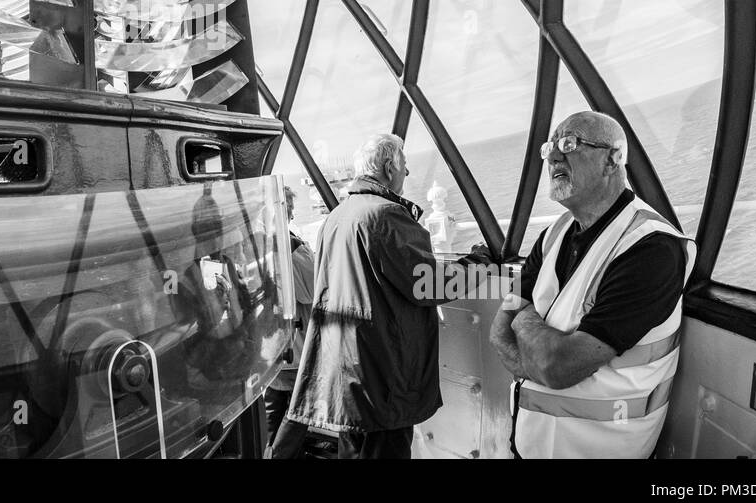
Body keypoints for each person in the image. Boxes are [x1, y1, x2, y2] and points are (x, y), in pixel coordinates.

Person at [269, 132, 488, 459]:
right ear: (389, 166)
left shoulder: (336, 218)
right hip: (382, 379)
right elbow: (429, 284)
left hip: (347, 375)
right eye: (405, 166)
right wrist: (479, 264)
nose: (407, 174)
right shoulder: (385, 216)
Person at [489, 111, 695, 459]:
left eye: (570, 143)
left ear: (613, 160)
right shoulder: (553, 235)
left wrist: (525, 321)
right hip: (529, 443)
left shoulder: (651, 248)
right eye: (549, 148)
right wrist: (539, 363)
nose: (554, 156)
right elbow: (498, 333)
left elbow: (559, 366)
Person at [263, 187, 315, 441]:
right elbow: (314, 290)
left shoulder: (254, 245)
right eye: (289, 211)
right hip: (295, 348)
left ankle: (269, 452)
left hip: (268, 350)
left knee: (273, 415)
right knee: (297, 417)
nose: (291, 218)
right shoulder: (292, 247)